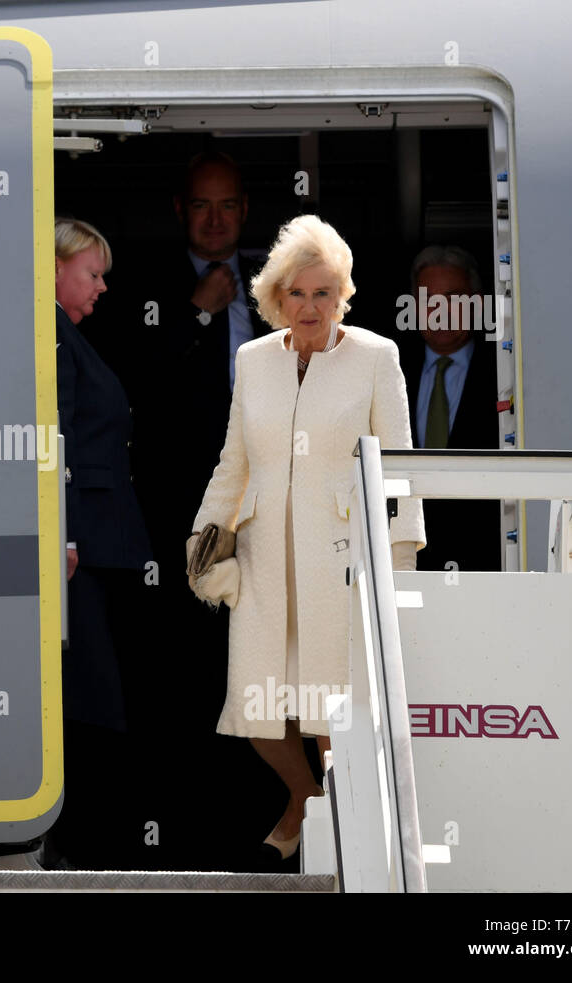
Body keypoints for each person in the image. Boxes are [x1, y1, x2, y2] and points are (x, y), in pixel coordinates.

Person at [190, 214, 425, 861]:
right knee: (262, 710)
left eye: (325, 292)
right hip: (266, 560)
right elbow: (234, 461)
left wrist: (398, 570)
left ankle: (346, 848)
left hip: (341, 564)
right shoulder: (253, 360)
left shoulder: (377, 358)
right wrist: (206, 542)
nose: (311, 305)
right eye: (298, 293)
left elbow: (400, 471)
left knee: (329, 715)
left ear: (342, 294)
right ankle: (306, 798)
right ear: (276, 298)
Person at [102, 151, 277, 869]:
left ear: (245, 209)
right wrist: (196, 313)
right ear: (179, 209)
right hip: (178, 517)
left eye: (228, 206)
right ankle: (185, 830)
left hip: (268, 514)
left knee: (264, 666)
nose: (215, 220)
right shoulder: (142, 282)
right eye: (201, 207)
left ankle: (267, 821)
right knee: (185, 673)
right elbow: (128, 384)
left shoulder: (281, 279)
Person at [45, 219, 153, 868]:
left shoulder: (68, 337)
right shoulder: (52, 336)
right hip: (80, 555)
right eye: (92, 272)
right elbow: (50, 444)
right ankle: (76, 849)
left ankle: (79, 846)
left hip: (98, 552)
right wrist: (65, 535)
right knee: (90, 702)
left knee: (98, 697)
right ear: (55, 269)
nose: (103, 286)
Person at [400, 245, 503, 572]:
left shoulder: (506, 370)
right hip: (405, 557)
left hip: (484, 561)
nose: (441, 311)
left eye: (455, 299)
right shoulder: (390, 367)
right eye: (429, 301)